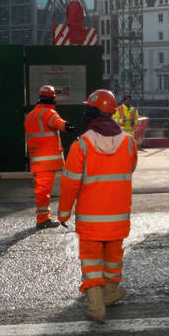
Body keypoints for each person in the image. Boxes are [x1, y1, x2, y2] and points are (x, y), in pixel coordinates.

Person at [58, 89, 137, 322]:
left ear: (92, 114)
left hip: (91, 220)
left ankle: (96, 307)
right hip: (118, 218)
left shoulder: (81, 145)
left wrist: (63, 213)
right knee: (113, 258)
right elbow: (129, 169)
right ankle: (111, 293)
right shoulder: (128, 142)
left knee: (91, 261)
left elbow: (70, 183)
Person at [24, 84, 73, 228]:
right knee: (44, 191)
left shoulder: (32, 114)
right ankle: (42, 219)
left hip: (37, 159)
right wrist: (68, 126)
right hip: (47, 161)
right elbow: (59, 124)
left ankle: (42, 217)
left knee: (41, 190)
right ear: (52, 99)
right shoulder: (48, 113)